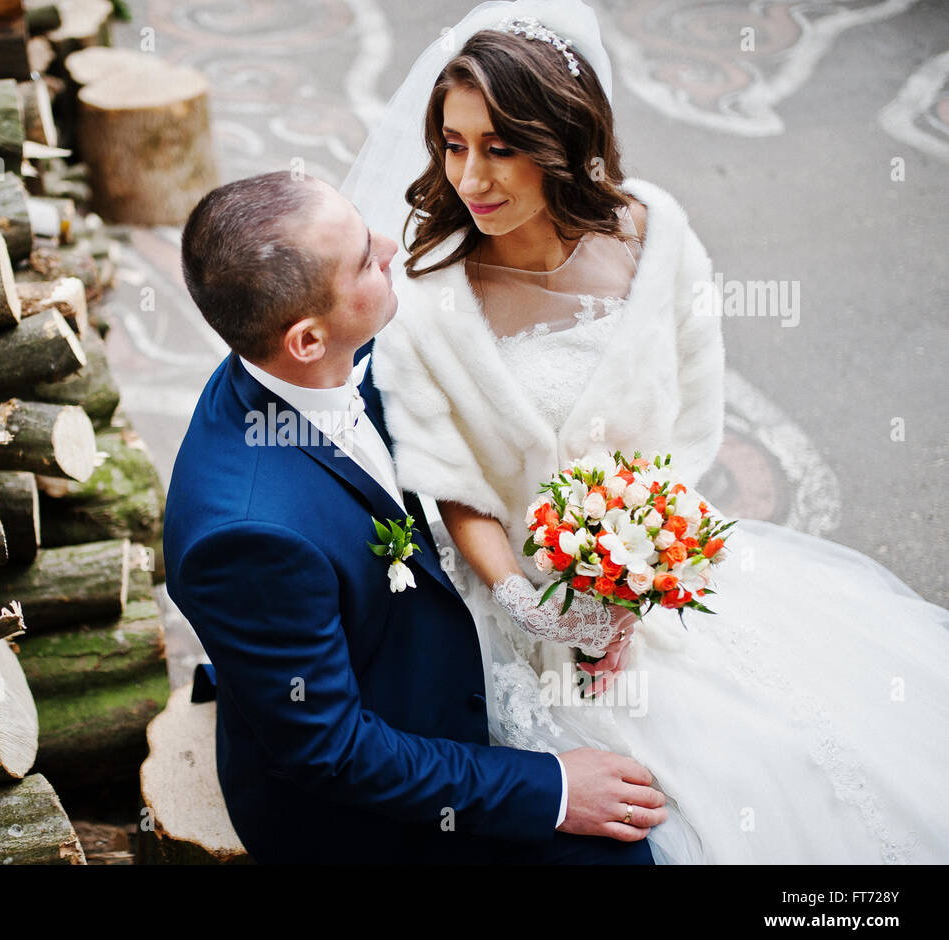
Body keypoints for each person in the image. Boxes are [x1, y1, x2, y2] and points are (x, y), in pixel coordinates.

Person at [356, 0, 949, 863]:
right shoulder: (428, 292)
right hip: (516, 597)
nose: (471, 179)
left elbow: (688, 431)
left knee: (803, 749)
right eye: (453, 145)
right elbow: (454, 486)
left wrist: (637, 574)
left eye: (501, 147)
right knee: (668, 794)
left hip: (654, 567)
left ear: (561, 138)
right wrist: (536, 602)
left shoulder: (655, 233)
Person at [163, 168, 664, 863]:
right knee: (633, 848)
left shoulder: (319, 354)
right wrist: (550, 789)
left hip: (436, 637)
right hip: (362, 801)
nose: (388, 248)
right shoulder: (248, 536)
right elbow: (332, 750)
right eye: (364, 260)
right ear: (306, 339)